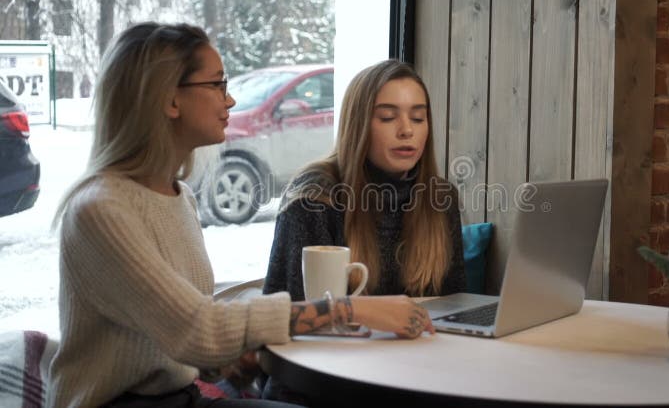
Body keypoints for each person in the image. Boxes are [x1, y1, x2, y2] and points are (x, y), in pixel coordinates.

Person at [47, 23, 433, 408]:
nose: (229, 100)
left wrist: (228, 362)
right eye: (217, 84)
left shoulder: (177, 197)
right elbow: (198, 329)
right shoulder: (100, 210)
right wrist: (347, 309)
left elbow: (179, 336)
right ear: (170, 100)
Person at [264, 59, 466, 301]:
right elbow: (293, 314)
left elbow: (454, 304)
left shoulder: (441, 197)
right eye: (388, 117)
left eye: (418, 118)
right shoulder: (314, 196)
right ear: (357, 125)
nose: (406, 130)